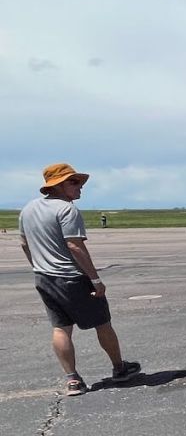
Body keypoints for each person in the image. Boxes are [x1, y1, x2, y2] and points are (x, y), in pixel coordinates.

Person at [19, 163, 141, 396]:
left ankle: (72, 379)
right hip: (72, 278)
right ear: (57, 185)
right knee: (102, 323)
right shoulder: (66, 210)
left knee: (61, 327)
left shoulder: (27, 209)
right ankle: (119, 368)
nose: (80, 187)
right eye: (73, 182)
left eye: (80, 182)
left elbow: (24, 244)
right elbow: (74, 245)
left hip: (44, 278)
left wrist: (38, 266)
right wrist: (95, 280)